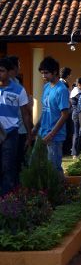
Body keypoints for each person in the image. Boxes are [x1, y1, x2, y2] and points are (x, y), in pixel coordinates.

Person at [0, 57, 33, 195]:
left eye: (1, 71)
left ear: (9, 72)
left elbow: (25, 114)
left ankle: (6, 200)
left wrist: (29, 135)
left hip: (10, 133)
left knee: (8, 166)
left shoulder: (19, 90)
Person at [33, 56, 70, 174]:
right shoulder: (46, 86)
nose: (43, 76)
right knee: (34, 164)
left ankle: (60, 192)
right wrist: (36, 127)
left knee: (53, 169)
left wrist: (52, 134)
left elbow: (65, 115)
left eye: (46, 73)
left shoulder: (61, 89)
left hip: (55, 136)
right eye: (42, 73)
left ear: (55, 72)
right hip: (42, 132)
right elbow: (45, 110)